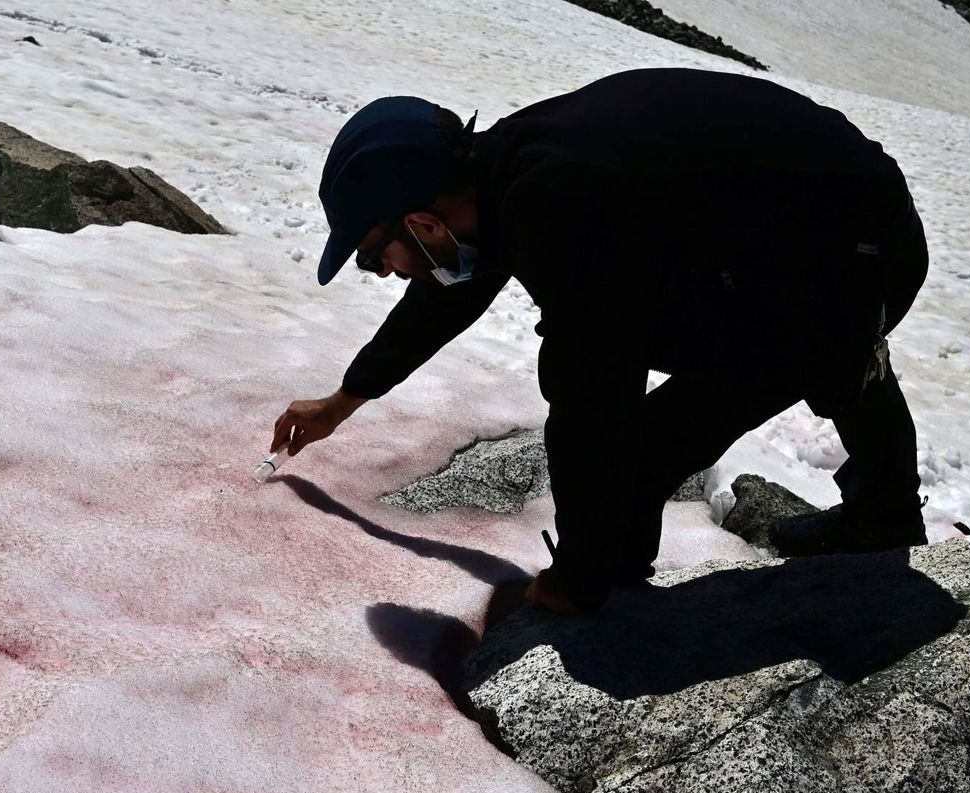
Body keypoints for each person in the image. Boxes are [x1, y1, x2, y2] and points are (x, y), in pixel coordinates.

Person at [271, 68, 930, 615]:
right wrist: (341, 402)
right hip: (834, 222)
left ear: (423, 223)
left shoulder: (560, 206)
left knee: (638, 445)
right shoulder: (505, 172)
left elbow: (592, 392)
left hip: (858, 250)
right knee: (665, 361)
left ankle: (878, 507)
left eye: (372, 254)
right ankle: (877, 482)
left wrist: (578, 578)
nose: (382, 269)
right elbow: (447, 298)